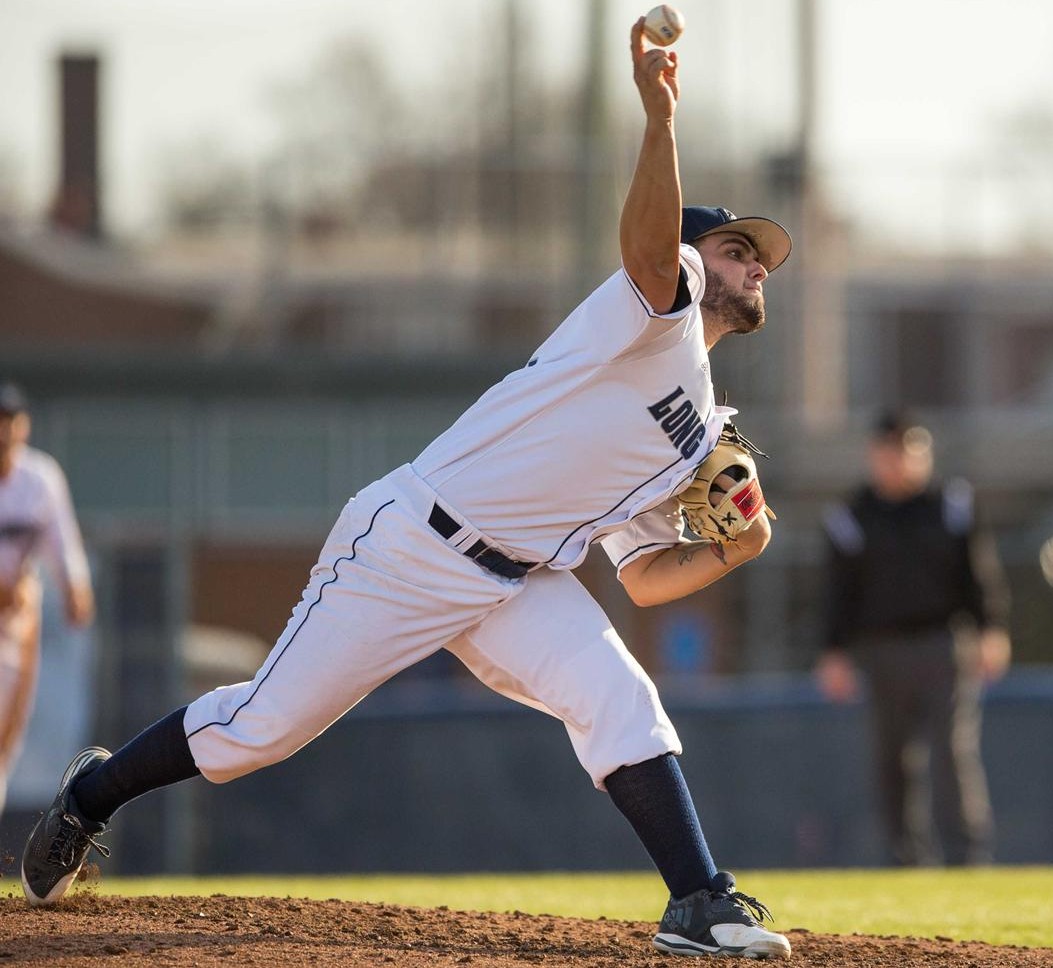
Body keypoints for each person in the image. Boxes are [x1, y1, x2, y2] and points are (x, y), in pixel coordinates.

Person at [24, 20, 791, 960]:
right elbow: (649, 248)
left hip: (519, 580)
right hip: (413, 543)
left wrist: (732, 551)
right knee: (261, 729)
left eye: (762, 258)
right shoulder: (654, 304)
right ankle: (89, 796)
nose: (756, 263)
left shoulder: (700, 430)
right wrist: (660, 119)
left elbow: (641, 577)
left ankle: (700, 901)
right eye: (739, 248)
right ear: (694, 250)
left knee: (621, 696)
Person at [814, 411, 1010, 867]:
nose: (898, 461)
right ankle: (905, 857)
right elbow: (837, 592)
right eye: (889, 451)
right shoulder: (851, 516)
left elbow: (980, 573)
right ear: (873, 456)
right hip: (880, 647)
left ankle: (966, 855)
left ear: (925, 454)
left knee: (952, 751)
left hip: (942, 642)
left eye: (908, 450)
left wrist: (991, 628)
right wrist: (833, 651)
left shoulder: (952, 506)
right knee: (891, 756)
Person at [0, 380, 96, 818]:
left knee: (6, 736)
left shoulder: (38, 478)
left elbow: (63, 541)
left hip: (13, 620)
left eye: (10, 421)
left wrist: (73, 585)